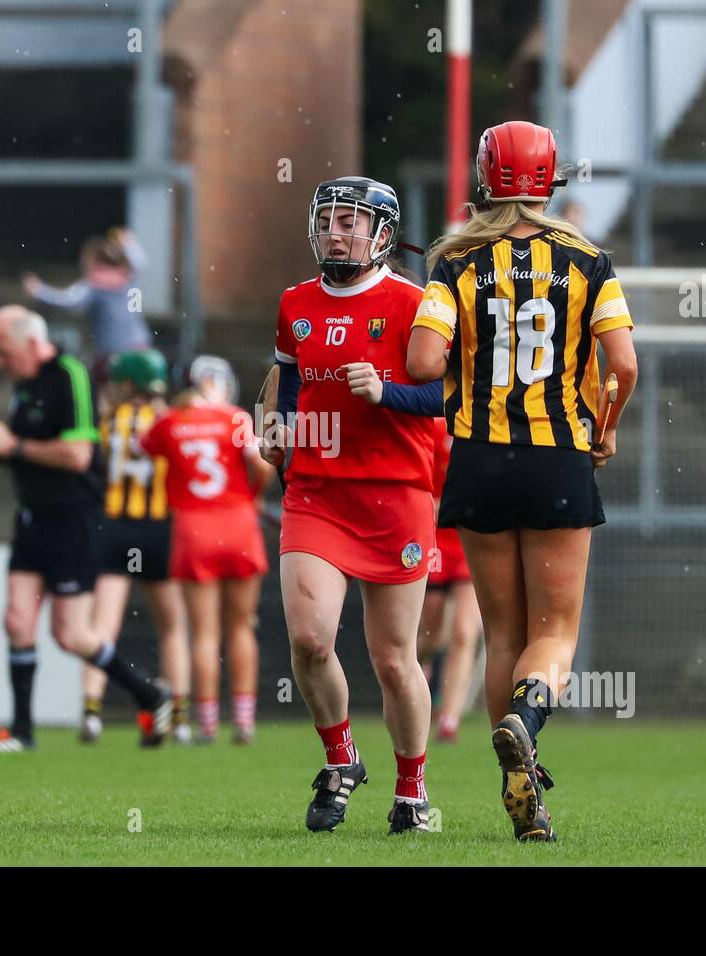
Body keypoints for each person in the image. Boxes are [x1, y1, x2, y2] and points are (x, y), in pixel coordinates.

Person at [406, 121, 639, 841]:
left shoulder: (455, 261)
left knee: (500, 630)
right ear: (550, 179)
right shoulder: (587, 258)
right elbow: (624, 366)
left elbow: (420, 363)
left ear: (485, 176)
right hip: (557, 455)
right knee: (556, 631)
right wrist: (605, 425)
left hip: (478, 457)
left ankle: (518, 769)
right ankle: (528, 719)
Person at [264, 177, 445, 835]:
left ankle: (412, 792)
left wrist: (388, 392)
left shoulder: (415, 301)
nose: (335, 231)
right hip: (317, 490)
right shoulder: (294, 302)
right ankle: (342, 762)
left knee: (394, 658)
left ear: (382, 234)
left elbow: (450, 399)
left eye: (349, 221)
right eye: (328, 219)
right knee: (310, 641)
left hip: (396, 493)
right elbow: (286, 385)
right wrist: (277, 427)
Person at [0, 305, 172, 751]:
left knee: (70, 635)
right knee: (17, 621)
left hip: (72, 519)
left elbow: (78, 455)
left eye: (3, 353)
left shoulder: (69, 374)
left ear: (30, 342)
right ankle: (21, 732)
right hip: (31, 517)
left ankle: (150, 695)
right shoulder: (24, 385)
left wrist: (12, 445)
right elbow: (26, 450)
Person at [140, 356, 275, 744]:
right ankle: (245, 721)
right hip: (238, 522)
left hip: (193, 526)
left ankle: (208, 723)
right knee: (241, 626)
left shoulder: (171, 421)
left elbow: (139, 451)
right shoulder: (235, 418)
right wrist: (251, 498)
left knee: (203, 633)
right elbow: (262, 466)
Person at [81, 349, 192, 745]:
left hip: (114, 528)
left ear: (128, 384)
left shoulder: (110, 421)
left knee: (101, 627)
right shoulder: (171, 422)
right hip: (159, 529)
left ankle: (91, 711)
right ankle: (178, 716)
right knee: (172, 627)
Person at [416, 422, 483, 744]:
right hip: (436, 540)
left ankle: (449, 718)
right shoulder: (434, 426)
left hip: (473, 539)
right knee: (430, 633)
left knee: (463, 632)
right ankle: (417, 674)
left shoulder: (486, 421)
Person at [23, 227, 154, 390]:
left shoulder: (94, 285)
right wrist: (129, 244)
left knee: (107, 397)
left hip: (112, 355)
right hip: (141, 348)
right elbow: (140, 264)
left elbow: (69, 301)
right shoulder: (127, 278)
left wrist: (40, 290)